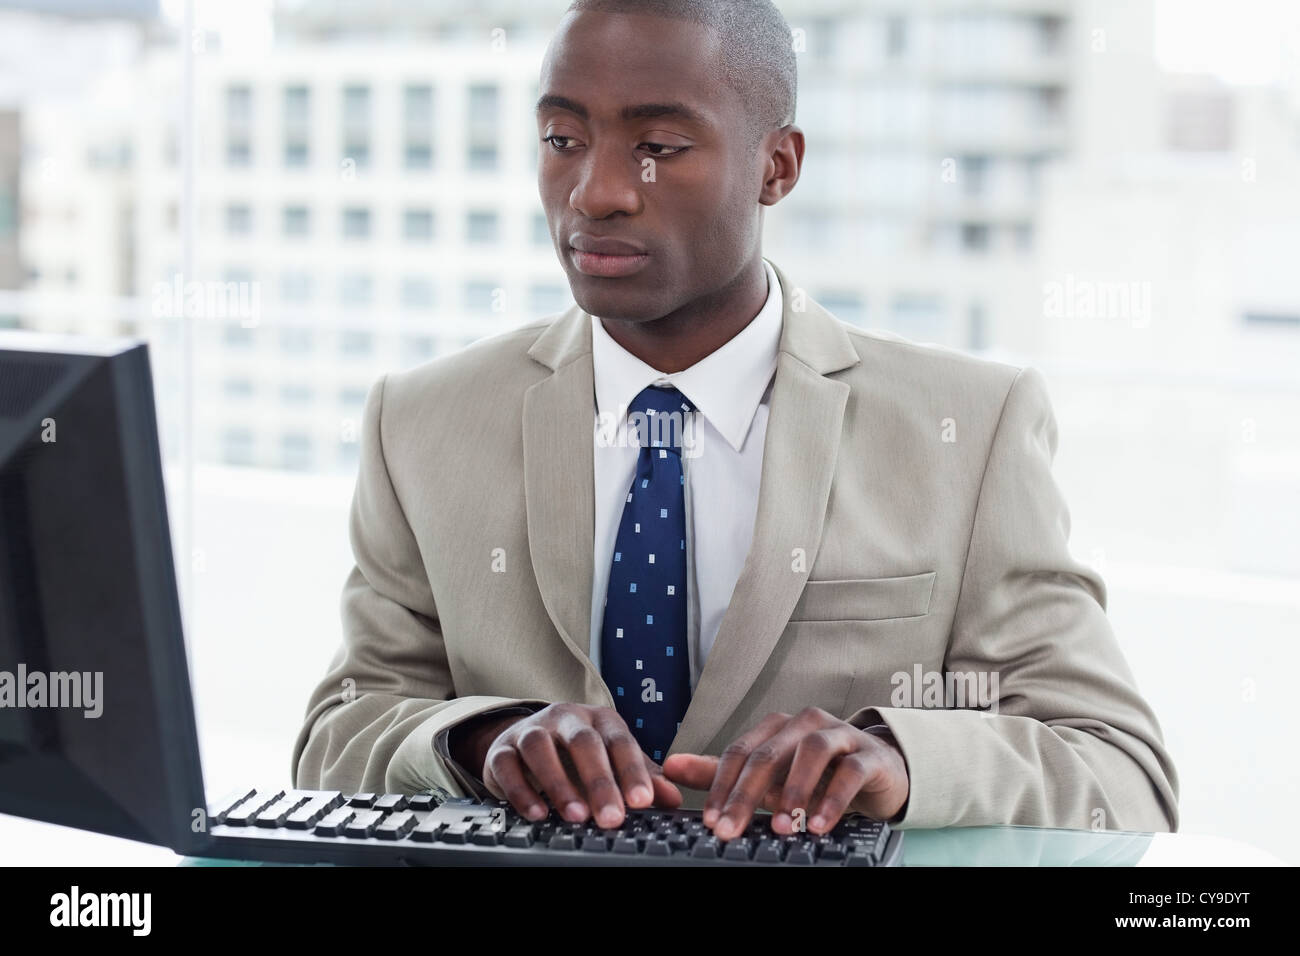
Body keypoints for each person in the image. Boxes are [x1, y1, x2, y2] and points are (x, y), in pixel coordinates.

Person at [293, 0, 1178, 840]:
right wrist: (478, 742)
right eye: (562, 139)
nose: (596, 191)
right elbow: (336, 737)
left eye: (659, 146)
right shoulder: (419, 422)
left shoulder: (972, 429)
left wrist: (904, 763)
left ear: (777, 166)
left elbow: (1122, 773)